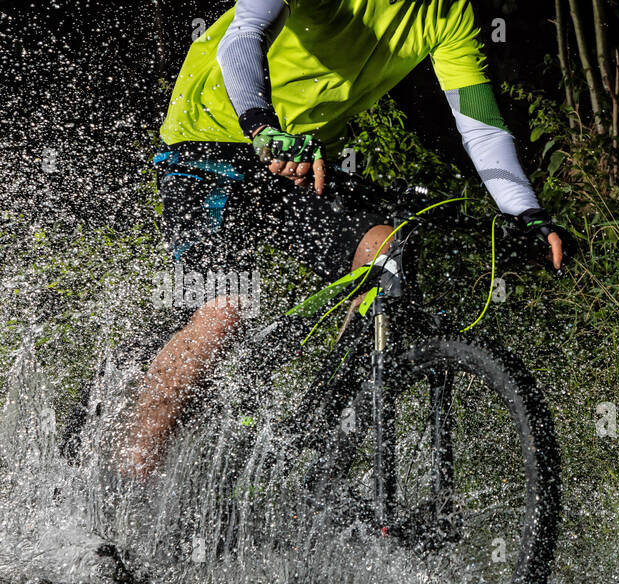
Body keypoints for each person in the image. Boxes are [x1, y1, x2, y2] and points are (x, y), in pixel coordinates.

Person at [121, 0, 569, 480]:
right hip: (212, 135)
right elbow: (243, 34)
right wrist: (261, 127)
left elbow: (480, 127)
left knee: (387, 249)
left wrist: (525, 213)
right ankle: (125, 493)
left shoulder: (448, 14)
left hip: (299, 158)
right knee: (225, 312)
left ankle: (317, 455)